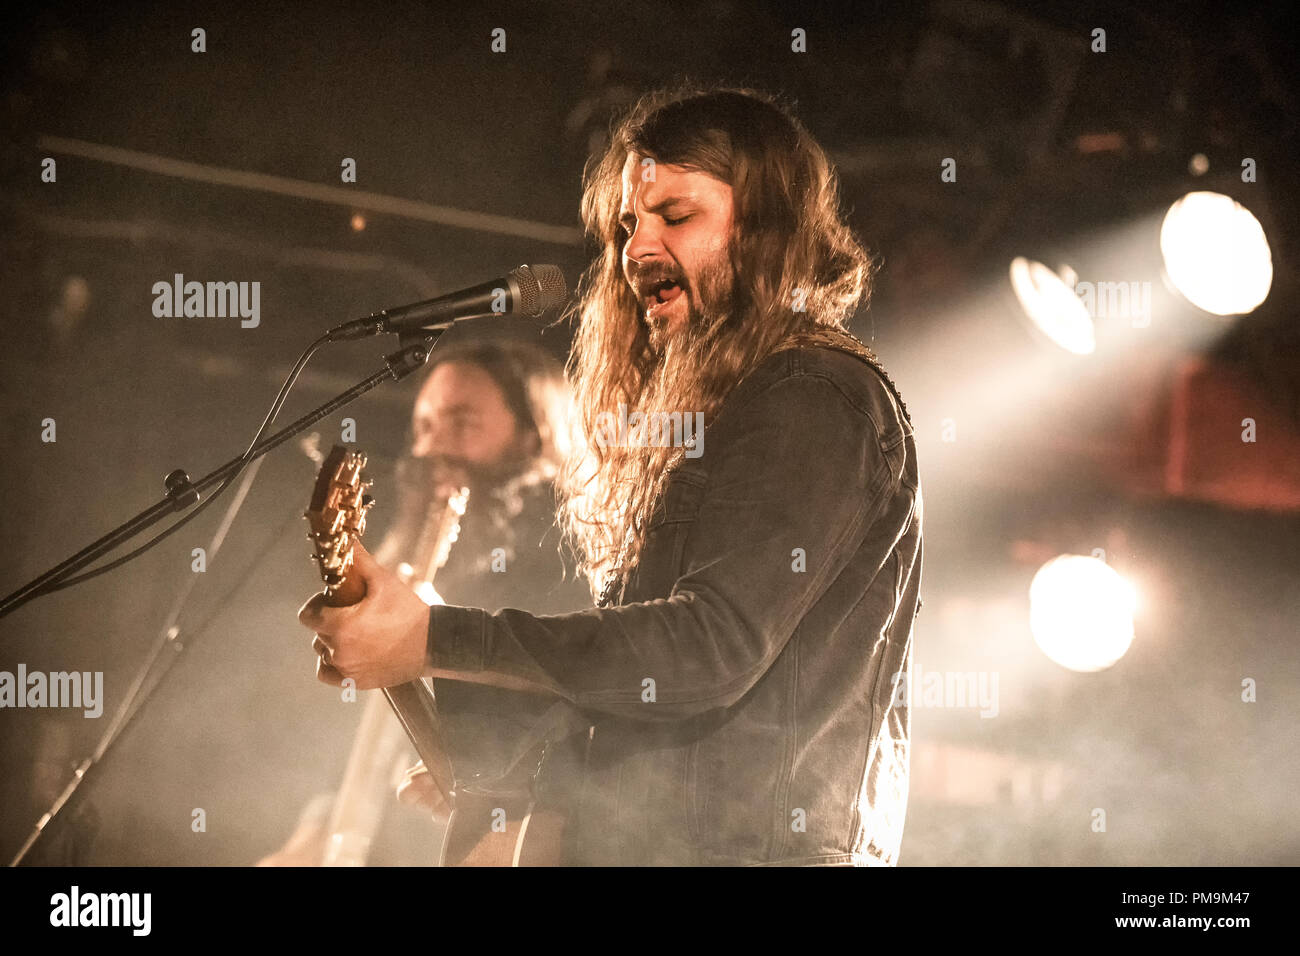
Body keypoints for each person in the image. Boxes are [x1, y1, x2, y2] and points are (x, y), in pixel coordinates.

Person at [300, 86, 924, 866]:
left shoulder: (812, 396)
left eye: (676, 215)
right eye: (629, 222)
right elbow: (654, 694)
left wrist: (435, 638)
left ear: (766, 231)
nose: (636, 248)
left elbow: (707, 650)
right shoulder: (726, 413)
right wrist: (520, 759)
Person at [260, 336, 589, 866]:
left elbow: (580, 724)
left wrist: (494, 768)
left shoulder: (567, 575)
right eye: (425, 426)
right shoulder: (411, 567)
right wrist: (316, 831)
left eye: (462, 423)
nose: (434, 448)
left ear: (534, 439)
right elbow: (361, 737)